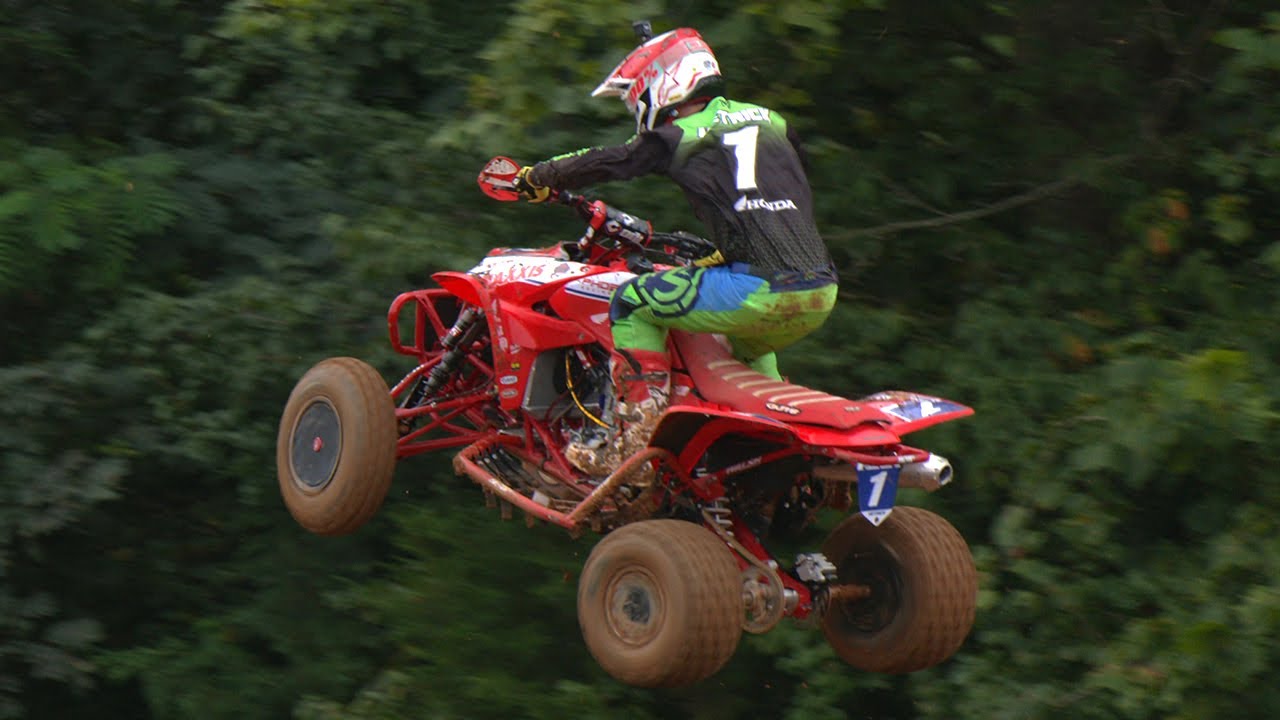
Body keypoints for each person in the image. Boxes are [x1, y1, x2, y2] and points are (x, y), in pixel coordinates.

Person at [513, 26, 838, 477]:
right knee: (739, 345)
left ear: (664, 84)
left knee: (629, 302)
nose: (637, 108)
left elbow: (613, 160)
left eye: (636, 97)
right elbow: (778, 196)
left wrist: (541, 175)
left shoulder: (681, 134)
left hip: (757, 290)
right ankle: (767, 427)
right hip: (820, 290)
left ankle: (637, 432)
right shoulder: (774, 121)